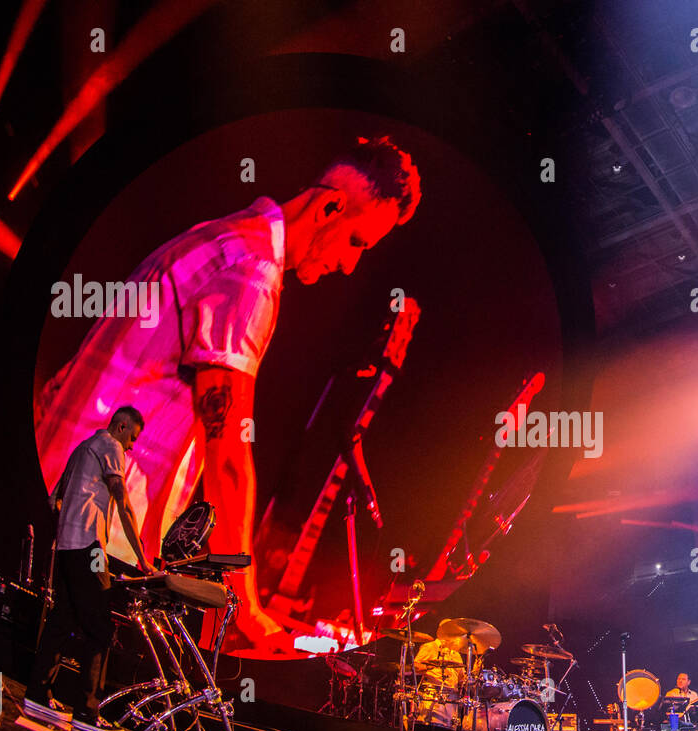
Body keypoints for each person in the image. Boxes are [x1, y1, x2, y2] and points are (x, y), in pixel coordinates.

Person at [35, 136, 422, 655]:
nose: (350, 266)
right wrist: (246, 608)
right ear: (330, 205)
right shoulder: (252, 271)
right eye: (356, 241)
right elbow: (229, 456)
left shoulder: (216, 237)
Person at [26, 407, 154, 730]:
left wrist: (71, 518)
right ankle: (87, 712)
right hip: (88, 548)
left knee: (60, 622)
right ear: (121, 426)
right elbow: (123, 503)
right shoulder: (110, 446)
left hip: (66, 546)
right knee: (100, 628)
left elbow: (52, 500)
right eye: (132, 439)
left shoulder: (80, 449)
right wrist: (142, 559)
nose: (131, 448)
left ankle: (37, 695)